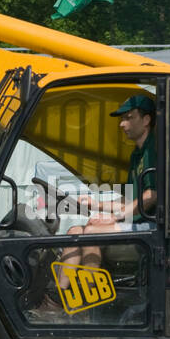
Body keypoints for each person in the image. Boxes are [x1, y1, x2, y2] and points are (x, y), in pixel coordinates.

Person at [58, 95, 158, 277]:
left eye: (129, 118)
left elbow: (151, 196)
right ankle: (58, 297)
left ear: (146, 120)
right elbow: (127, 200)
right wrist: (95, 205)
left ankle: (91, 300)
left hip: (151, 226)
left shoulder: (154, 150)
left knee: (90, 233)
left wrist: (115, 217)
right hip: (136, 221)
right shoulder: (137, 154)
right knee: (74, 232)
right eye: (122, 119)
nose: (122, 124)